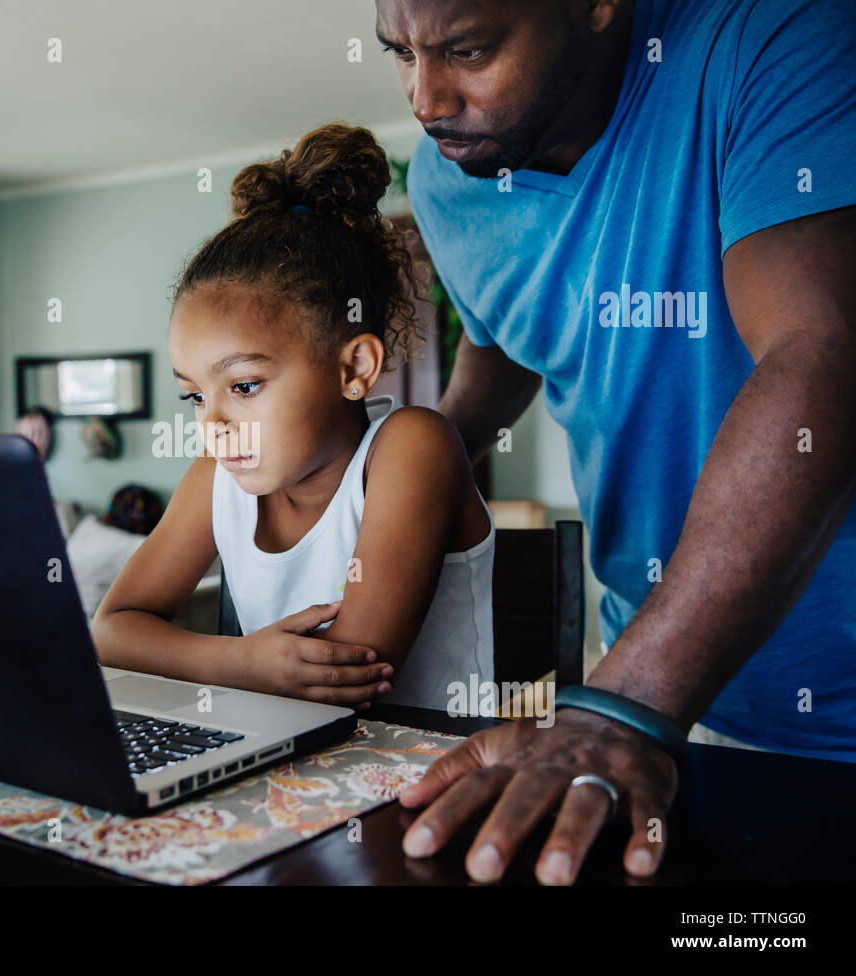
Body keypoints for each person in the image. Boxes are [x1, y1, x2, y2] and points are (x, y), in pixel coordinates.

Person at [373, 0, 856, 884]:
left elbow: (822, 352)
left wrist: (625, 705)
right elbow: (505, 341)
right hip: (668, 701)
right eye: (398, 52)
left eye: (468, 49)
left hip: (801, 709)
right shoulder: (446, 185)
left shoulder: (774, 36)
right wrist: (400, 472)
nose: (425, 98)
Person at [92, 123, 496, 713]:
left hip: (427, 776)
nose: (213, 423)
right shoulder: (215, 478)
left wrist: (235, 666)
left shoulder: (412, 448)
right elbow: (111, 629)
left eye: (245, 385)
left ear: (354, 366)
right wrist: (238, 661)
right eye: (195, 396)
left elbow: (350, 673)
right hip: (282, 764)